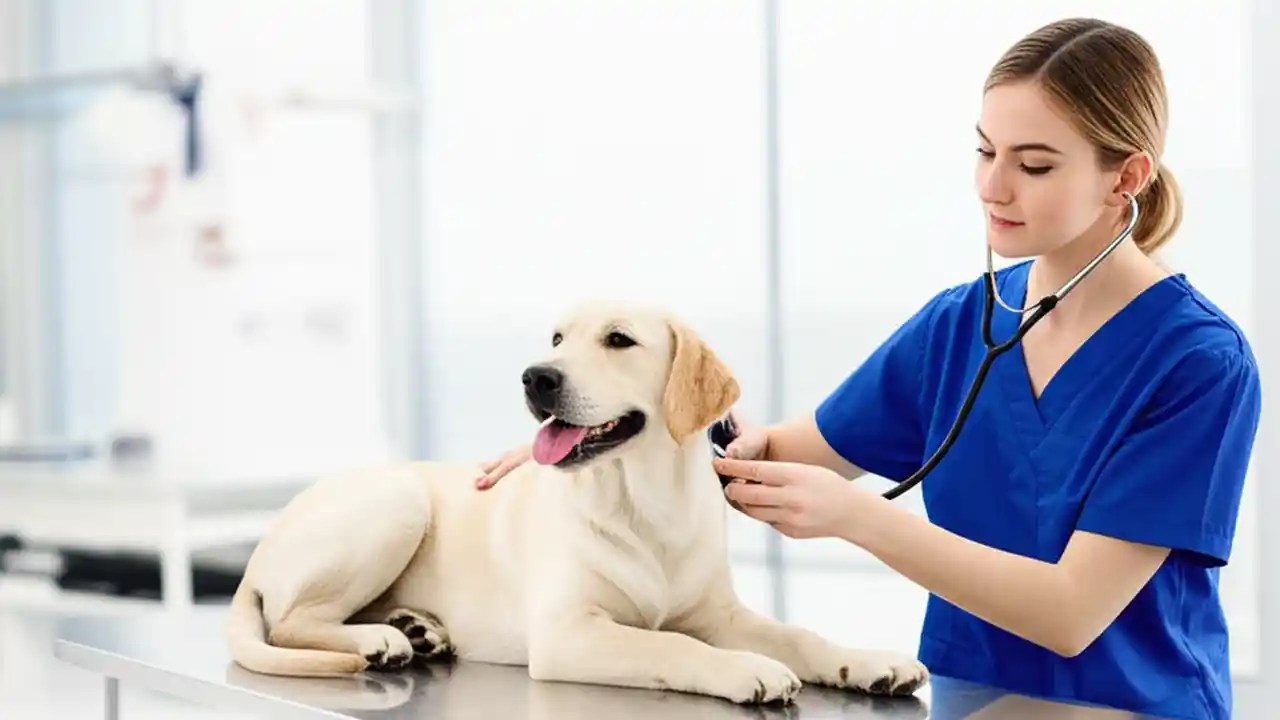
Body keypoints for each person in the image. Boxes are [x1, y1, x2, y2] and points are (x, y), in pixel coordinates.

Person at [473, 17, 1261, 720]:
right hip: (964, 696)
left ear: (1125, 177)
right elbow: (775, 456)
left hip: (1131, 709)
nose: (992, 186)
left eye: (1035, 164)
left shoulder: (1197, 364)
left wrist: (859, 519)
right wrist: (592, 439)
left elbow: (1071, 612)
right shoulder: (961, 323)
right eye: (984, 150)